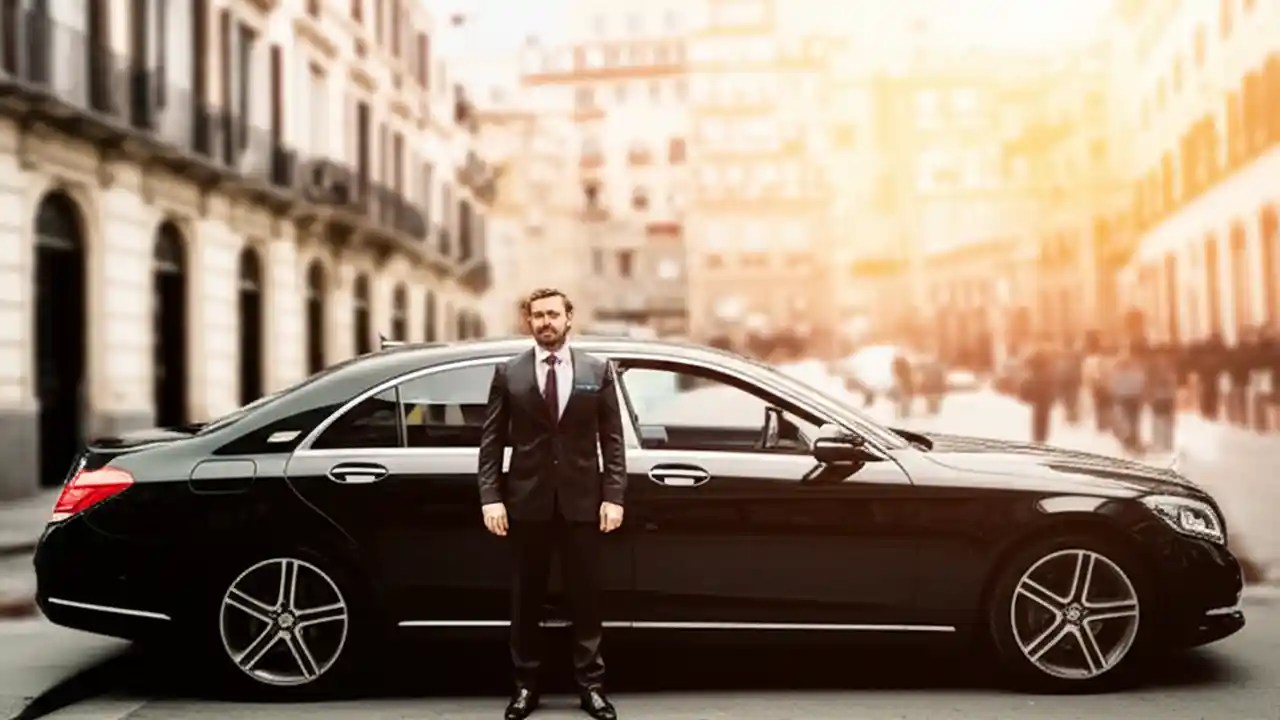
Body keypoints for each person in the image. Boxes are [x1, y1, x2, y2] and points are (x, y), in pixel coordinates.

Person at [477, 288, 627, 720]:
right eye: (537, 315)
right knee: (526, 600)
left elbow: (612, 441)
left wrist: (613, 496)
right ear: (529, 322)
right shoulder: (509, 373)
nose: (545, 322)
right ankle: (525, 687)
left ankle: (592, 688)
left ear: (568, 318)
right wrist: (491, 497)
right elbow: (490, 443)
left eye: (553, 314)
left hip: (584, 503)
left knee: (586, 599)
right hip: (527, 504)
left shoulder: (597, 371)